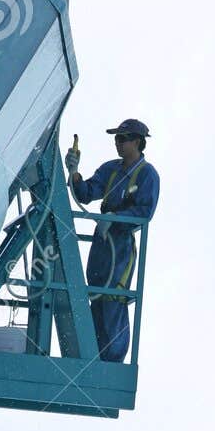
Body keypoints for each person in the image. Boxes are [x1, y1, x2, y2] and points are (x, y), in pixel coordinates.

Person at [65, 118, 159, 364]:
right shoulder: (110, 169)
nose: (117, 142)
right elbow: (86, 194)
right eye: (116, 138)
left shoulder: (147, 175)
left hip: (121, 246)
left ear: (137, 142)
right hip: (102, 244)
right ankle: (93, 357)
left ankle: (112, 361)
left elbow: (144, 213)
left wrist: (115, 218)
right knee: (95, 294)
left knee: (113, 297)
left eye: (122, 138)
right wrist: (74, 174)